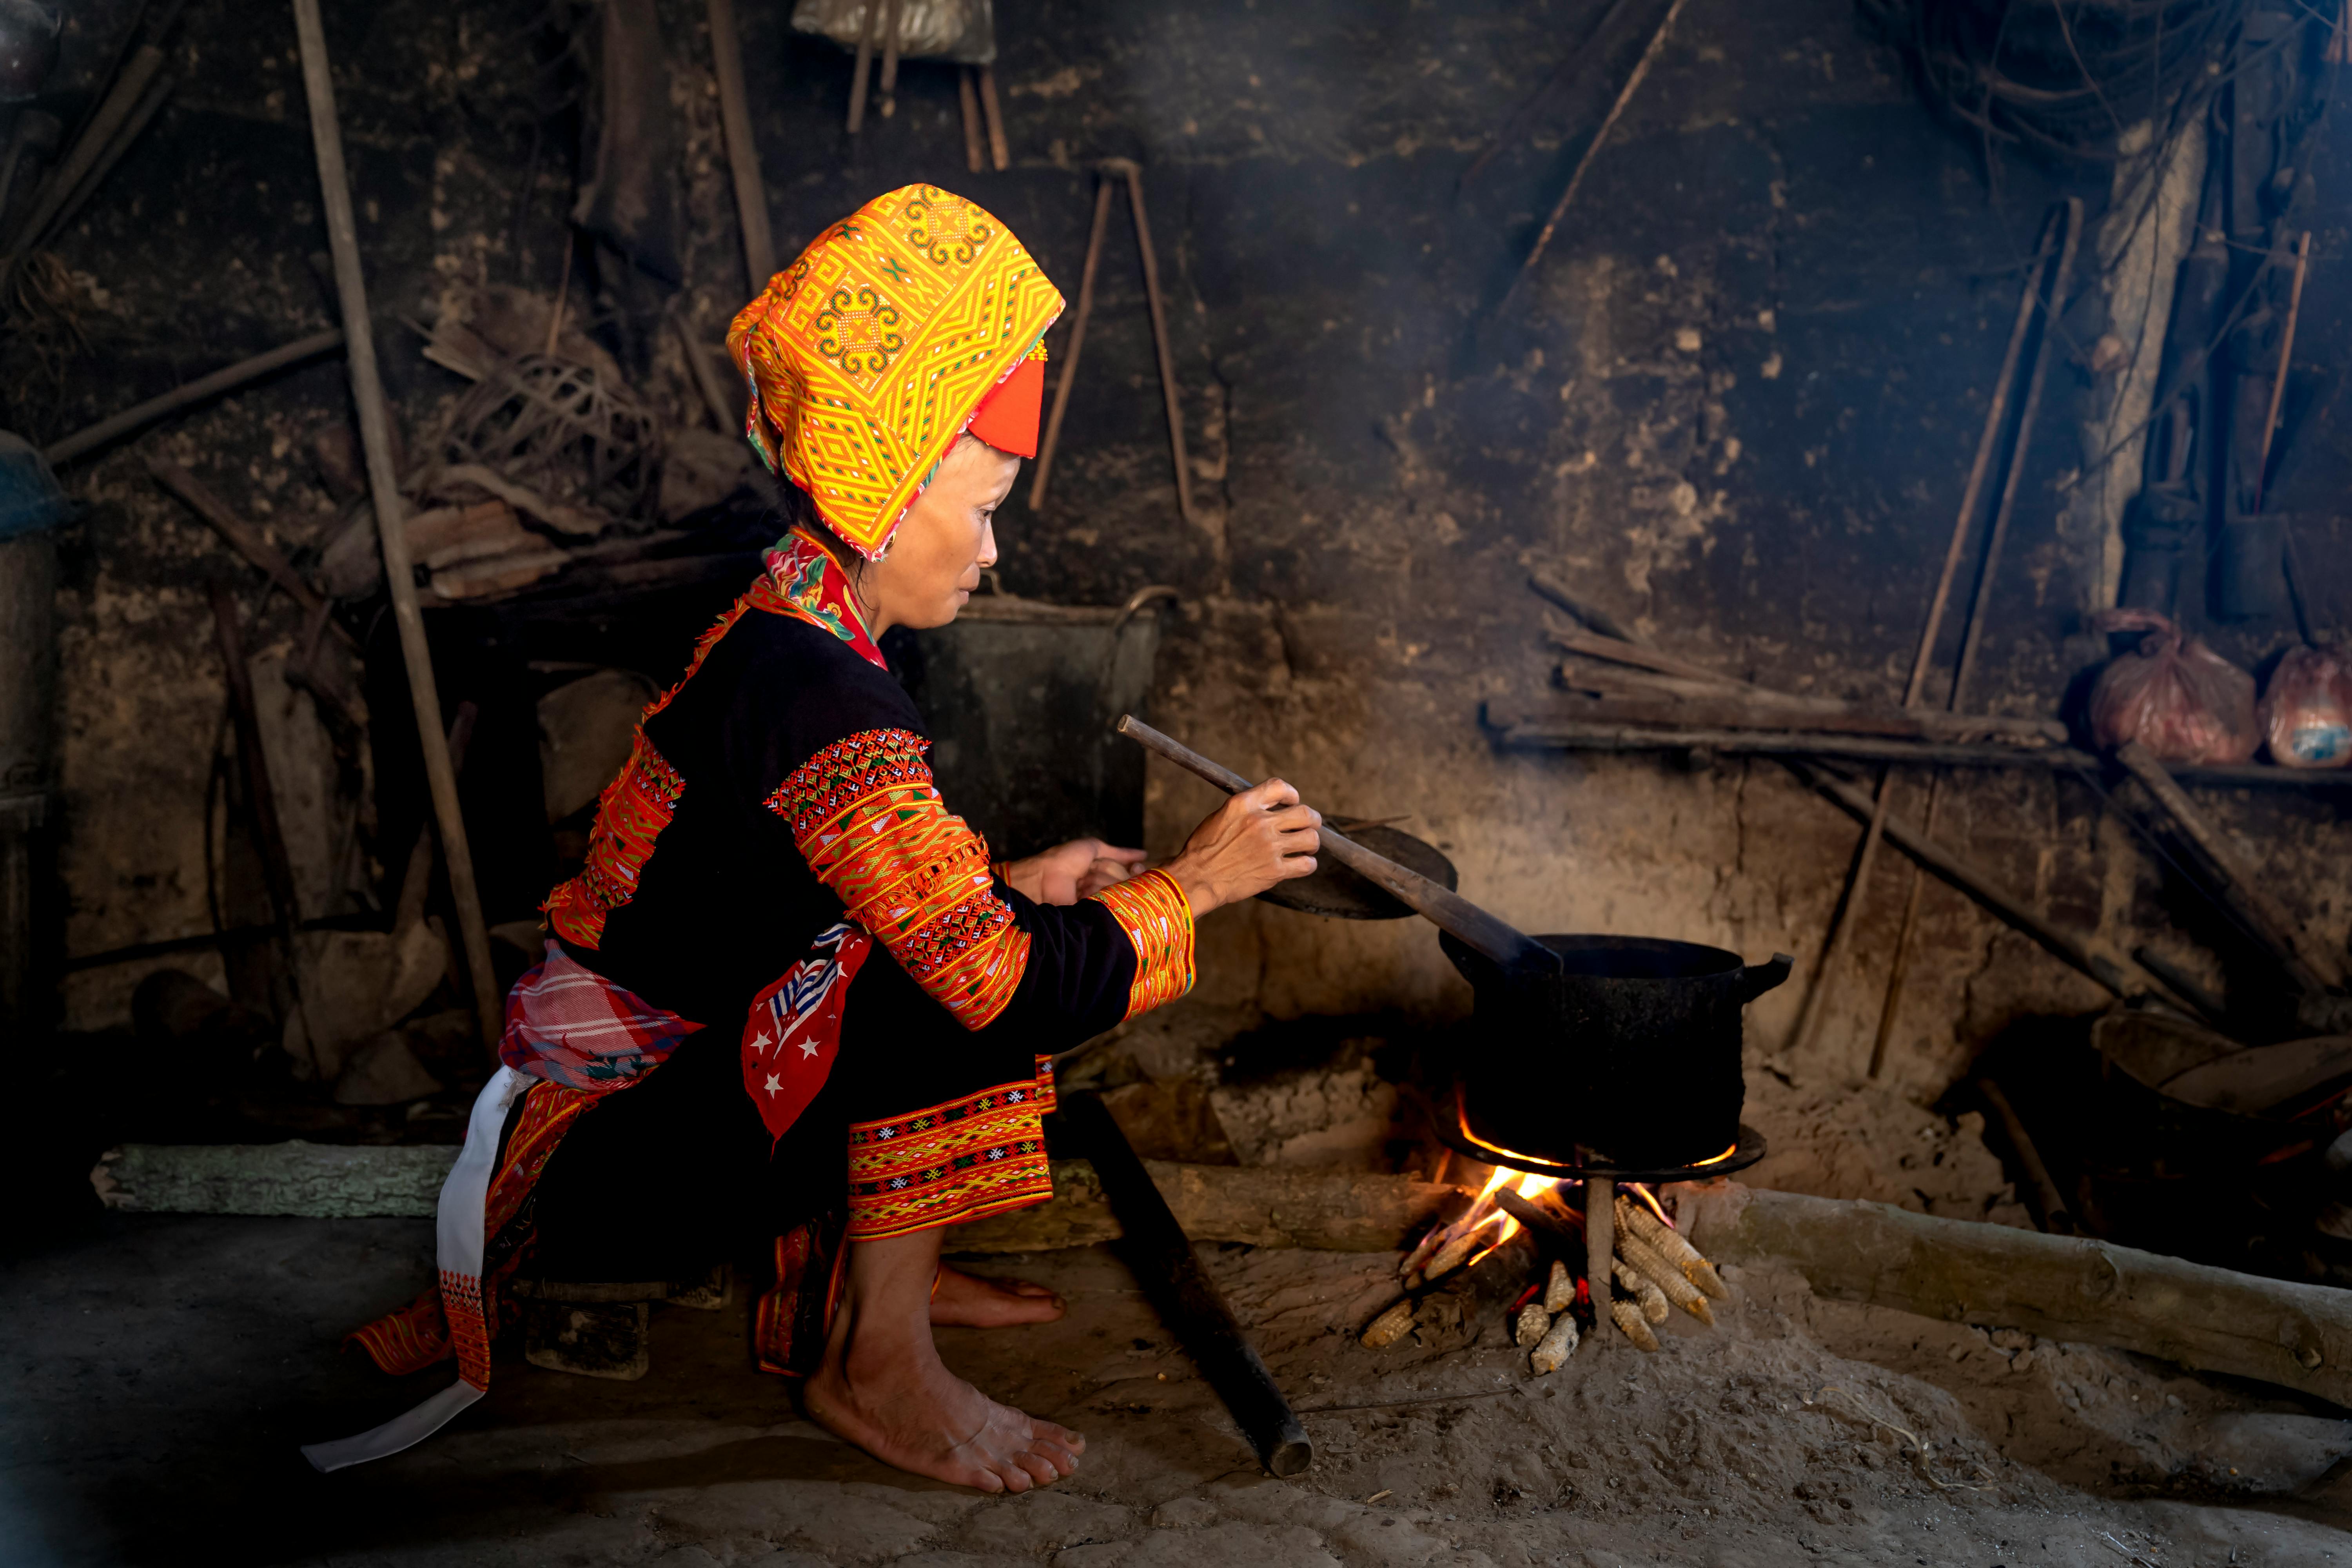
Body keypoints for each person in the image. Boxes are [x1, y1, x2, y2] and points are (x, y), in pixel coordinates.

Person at [304, 185, 1320, 1494]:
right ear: (890, 495)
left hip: (664, 1099)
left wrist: (1021, 879)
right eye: (987, 504)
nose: (996, 550)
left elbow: (789, 901)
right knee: (955, 989)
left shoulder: (800, 628)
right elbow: (983, 977)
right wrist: (1200, 883)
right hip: (615, 1163)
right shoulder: (820, 691)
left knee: (965, 936)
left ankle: (885, 1255)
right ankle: (873, 1360)